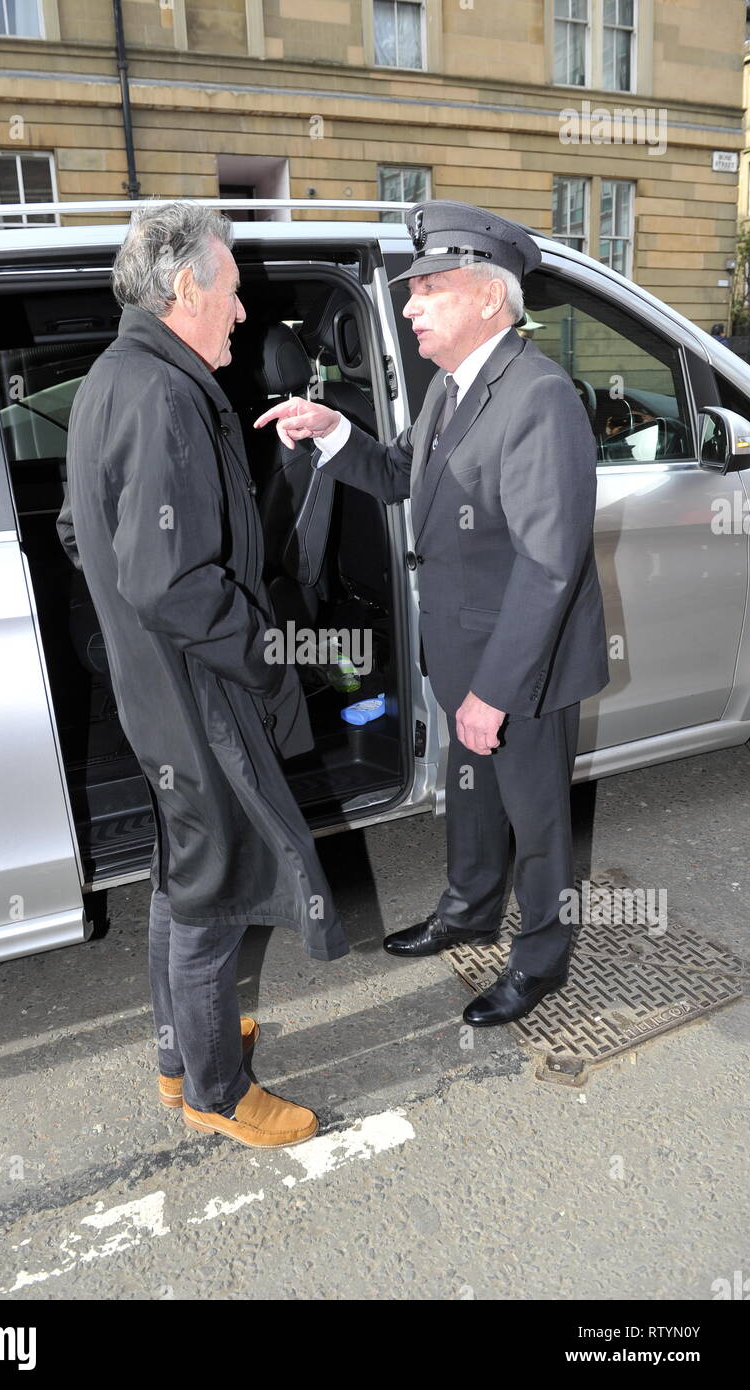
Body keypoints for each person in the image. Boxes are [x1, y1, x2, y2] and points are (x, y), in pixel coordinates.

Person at [255, 200, 609, 1027]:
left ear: (488, 298)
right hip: (460, 648)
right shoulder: (455, 386)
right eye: (411, 292)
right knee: (472, 794)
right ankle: (467, 910)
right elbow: (400, 474)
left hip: (521, 666)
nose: (407, 305)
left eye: (427, 290)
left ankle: (540, 960)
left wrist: (493, 692)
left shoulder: (537, 397)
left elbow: (548, 563)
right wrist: (335, 429)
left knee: (537, 816)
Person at [57, 201, 348, 1148]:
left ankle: (183, 1046)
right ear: (187, 288)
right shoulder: (166, 397)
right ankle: (217, 1090)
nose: (239, 313)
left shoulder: (113, 376)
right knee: (216, 886)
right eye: (229, 293)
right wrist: (265, 652)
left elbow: (80, 531)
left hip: (157, 688)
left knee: (185, 873)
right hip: (199, 693)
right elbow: (173, 584)